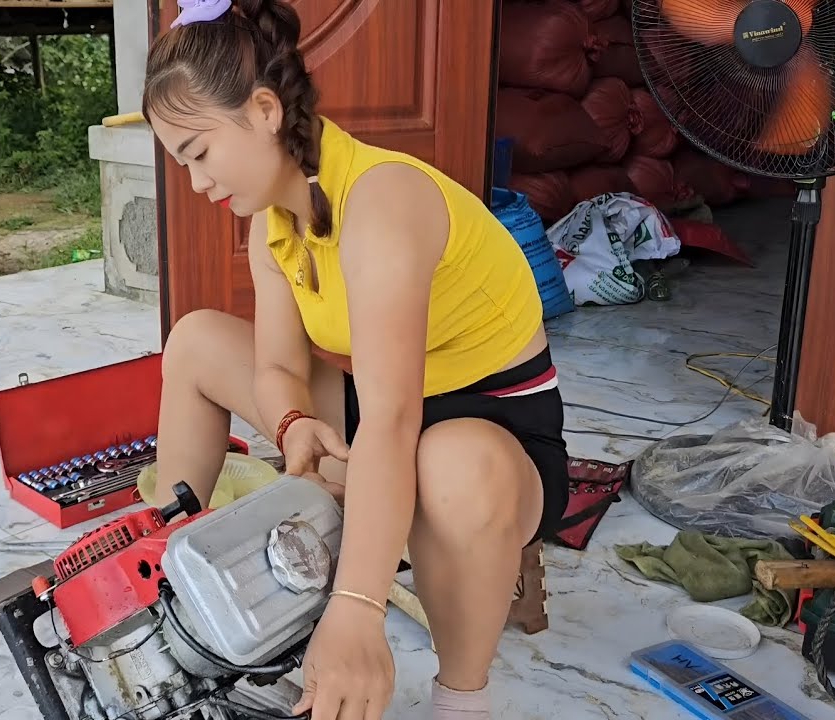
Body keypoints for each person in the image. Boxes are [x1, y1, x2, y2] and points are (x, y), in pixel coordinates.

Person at [142, 1, 571, 719]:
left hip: (494, 430)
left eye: (200, 153)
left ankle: (462, 697)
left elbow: (396, 420)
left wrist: (357, 608)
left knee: (450, 466)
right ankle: (161, 586)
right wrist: (290, 425)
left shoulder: (382, 201)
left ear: (265, 109)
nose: (197, 183)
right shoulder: (272, 223)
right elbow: (278, 367)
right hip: (380, 412)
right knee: (195, 341)